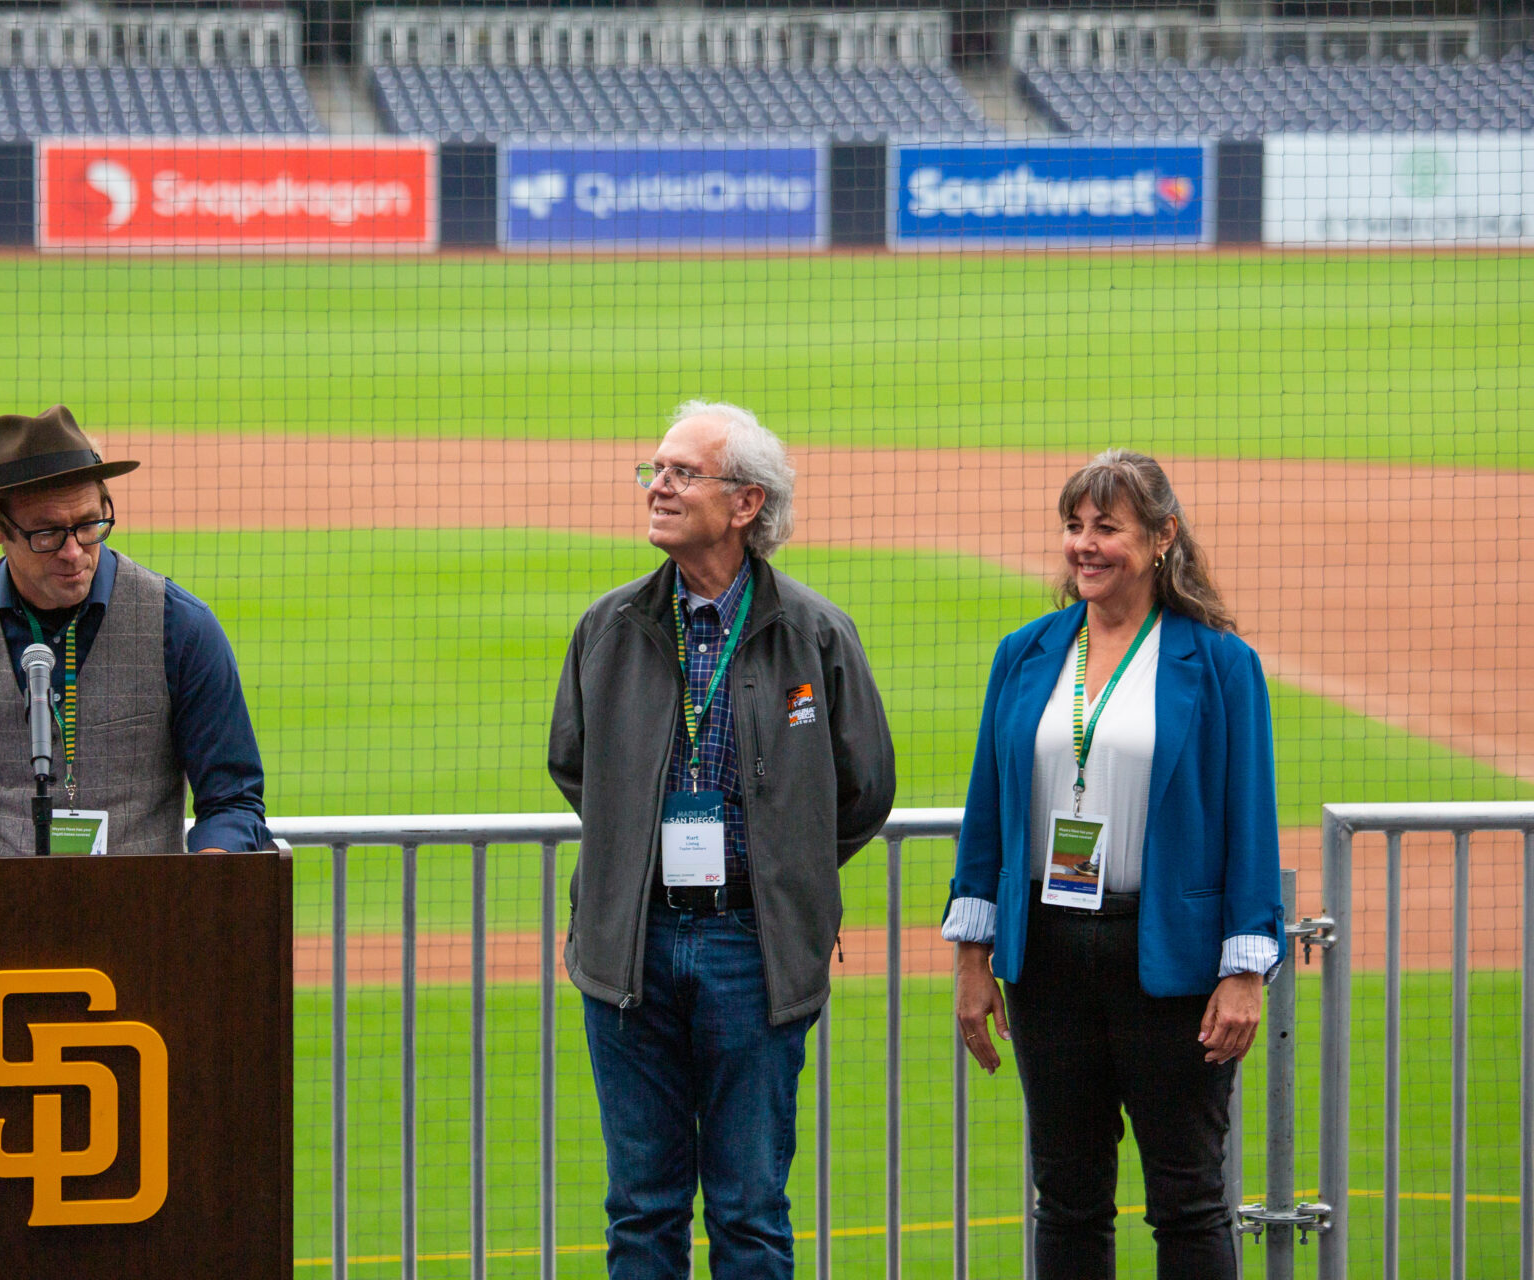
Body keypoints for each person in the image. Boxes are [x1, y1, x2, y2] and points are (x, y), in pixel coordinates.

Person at [549, 401, 897, 1280]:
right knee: (641, 1211)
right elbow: (574, 763)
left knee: (748, 1213)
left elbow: (864, 788)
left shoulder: (815, 633)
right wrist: (633, 863)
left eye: (681, 473)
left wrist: (781, 877)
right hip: (634, 947)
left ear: (746, 504)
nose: (657, 487)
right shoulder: (609, 625)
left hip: (755, 948)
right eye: (653, 470)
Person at [943, 448, 1284, 1278]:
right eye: (1074, 526)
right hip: (1047, 954)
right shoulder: (1025, 653)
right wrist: (972, 957)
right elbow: (988, 812)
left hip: (1168, 958)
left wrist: (1245, 967)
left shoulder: (1219, 663)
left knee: (1188, 1200)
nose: (1085, 545)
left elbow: (1251, 820)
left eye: (1108, 528)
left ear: (1163, 536)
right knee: (1066, 1198)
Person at [0, 405, 271, 859]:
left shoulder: (181, 629)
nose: (74, 552)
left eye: (89, 524)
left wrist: (206, 883)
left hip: (142, 920)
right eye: (48, 533)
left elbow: (233, 801)